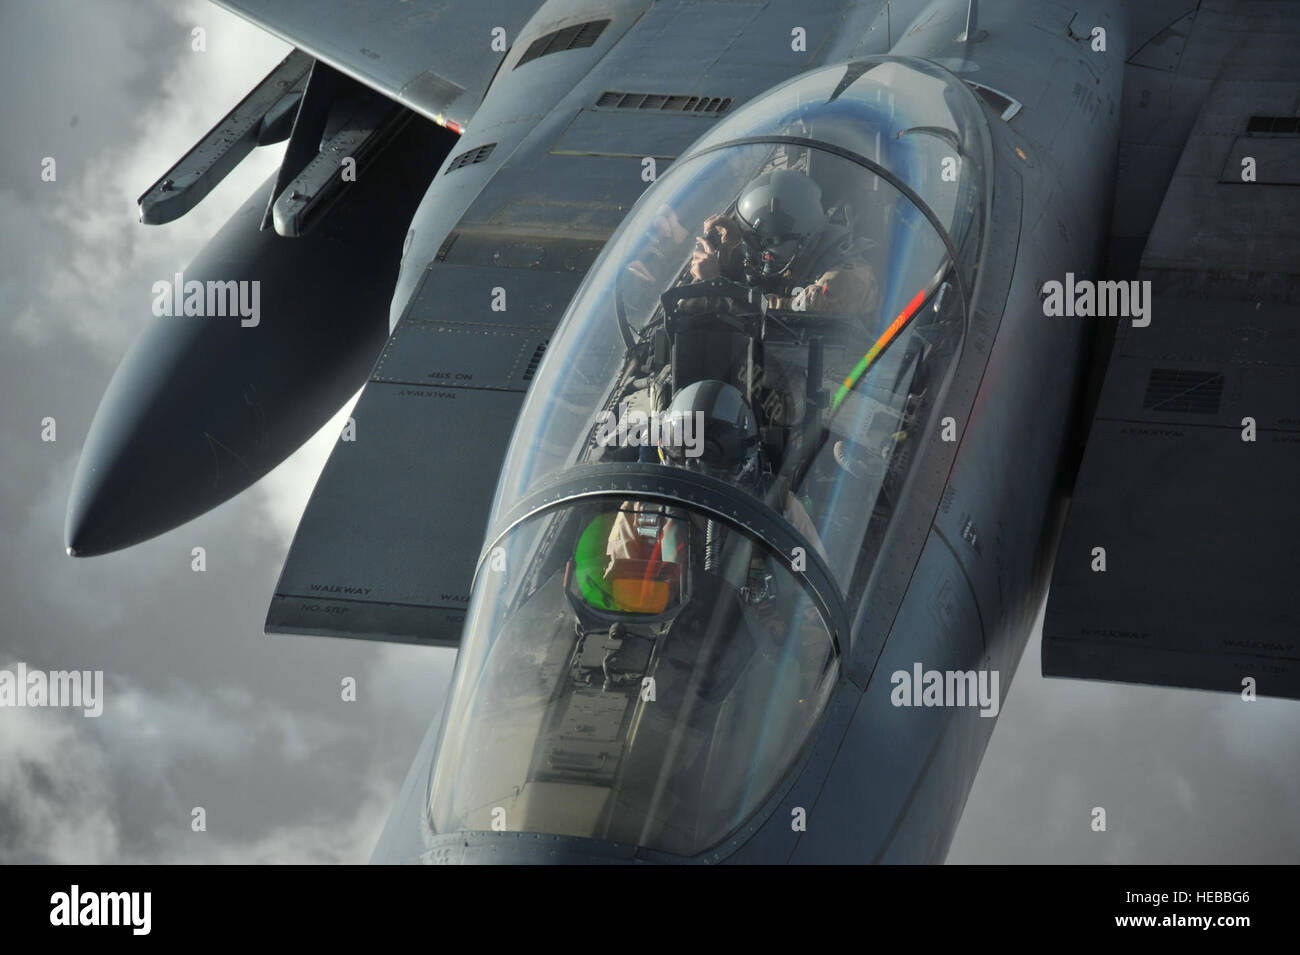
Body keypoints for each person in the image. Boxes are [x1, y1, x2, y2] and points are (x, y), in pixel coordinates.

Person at [688, 168, 879, 317]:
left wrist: (715, 287)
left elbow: (784, 315)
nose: (758, 253)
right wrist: (733, 249)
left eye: (762, 245)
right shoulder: (802, 251)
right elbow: (763, 282)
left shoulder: (844, 282)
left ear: (800, 241)